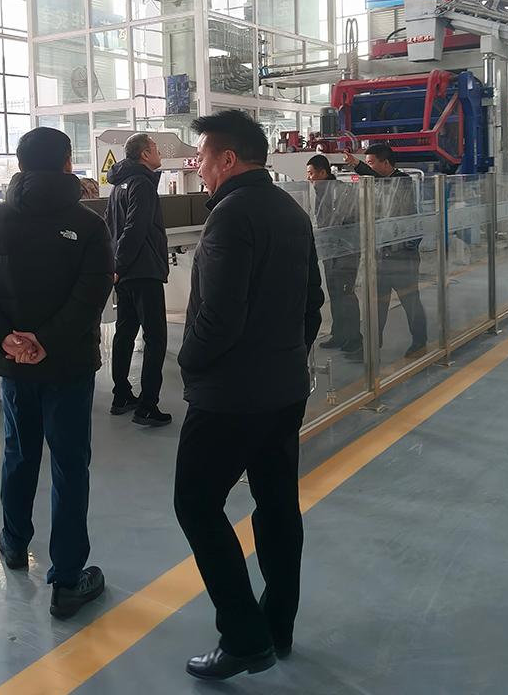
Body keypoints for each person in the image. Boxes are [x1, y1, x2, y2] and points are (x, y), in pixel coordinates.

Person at [174, 111, 324, 681]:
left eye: (203, 157)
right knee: (277, 503)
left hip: (230, 396)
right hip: (284, 388)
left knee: (196, 504)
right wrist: (286, 356)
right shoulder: (290, 211)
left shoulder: (230, 216)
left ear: (228, 159)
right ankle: (277, 625)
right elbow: (312, 302)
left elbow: (217, 318)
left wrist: (188, 361)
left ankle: (243, 637)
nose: (199, 167)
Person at [0, 127, 114, 620]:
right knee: (69, 463)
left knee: (19, 453)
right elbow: (92, 295)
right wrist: (47, 341)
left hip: (14, 366)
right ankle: (67, 579)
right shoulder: (89, 225)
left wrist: (5, 339)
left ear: (20, 164)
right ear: (67, 163)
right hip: (67, 365)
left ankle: (12, 542)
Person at [105, 133, 171, 427]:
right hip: (143, 270)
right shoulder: (142, 183)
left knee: (125, 332)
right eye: (155, 148)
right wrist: (121, 263)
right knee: (155, 337)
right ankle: (147, 405)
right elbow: (136, 227)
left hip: (126, 273)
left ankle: (121, 395)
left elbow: (111, 228)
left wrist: (116, 266)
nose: (159, 153)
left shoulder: (119, 185)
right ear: (144, 154)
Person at [344, 143, 427, 358]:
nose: (369, 168)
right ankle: (371, 346)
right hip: (380, 254)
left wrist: (358, 165)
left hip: (402, 256)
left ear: (386, 163)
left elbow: (382, 182)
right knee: (376, 304)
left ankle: (420, 342)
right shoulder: (377, 184)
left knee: (410, 300)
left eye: (371, 163)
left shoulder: (402, 181)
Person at [306, 154, 362, 356]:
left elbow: (344, 219)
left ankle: (354, 337)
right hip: (331, 251)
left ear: (323, 172)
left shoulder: (340, 190)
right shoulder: (319, 191)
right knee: (335, 293)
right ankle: (339, 334)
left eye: (311, 173)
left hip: (346, 250)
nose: (309, 178)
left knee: (346, 293)